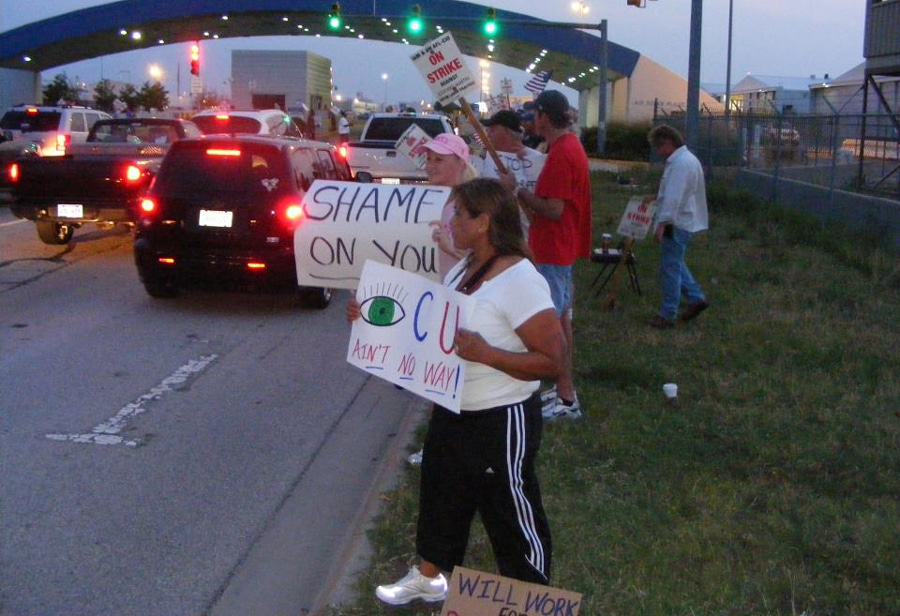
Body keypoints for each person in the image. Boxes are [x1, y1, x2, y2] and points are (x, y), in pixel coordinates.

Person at [348, 178, 565, 606]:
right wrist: (370, 318)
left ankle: (532, 599)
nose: (449, 222)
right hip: (453, 409)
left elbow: (553, 360)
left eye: (458, 214)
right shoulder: (469, 266)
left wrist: (488, 355)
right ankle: (429, 577)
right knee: (442, 494)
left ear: (483, 222)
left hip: (500, 417)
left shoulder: (519, 280)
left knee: (510, 508)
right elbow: (433, 333)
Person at [500, 90, 591, 422]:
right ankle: (566, 392)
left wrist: (516, 189)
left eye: (533, 115)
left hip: (553, 249)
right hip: (560, 248)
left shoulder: (560, 154)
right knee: (562, 322)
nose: (530, 121)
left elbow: (552, 210)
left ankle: (566, 400)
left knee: (549, 328)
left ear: (543, 116)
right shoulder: (568, 147)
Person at [405, 132, 478, 467]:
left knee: (448, 377)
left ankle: (444, 448)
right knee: (438, 376)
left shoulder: (471, 203)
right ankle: (442, 446)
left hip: (463, 297)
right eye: (429, 159)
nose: (430, 165)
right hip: (439, 294)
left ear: (460, 163)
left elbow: (483, 255)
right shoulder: (435, 199)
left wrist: (447, 247)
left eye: (439, 159)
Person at [644, 124, 709, 328]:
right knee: (675, 262)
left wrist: (663, 223)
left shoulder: (681, 164)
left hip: (676, 222)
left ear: (669, 143)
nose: (658, 151)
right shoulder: (685, 160)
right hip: (682, 220)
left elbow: (674, 197)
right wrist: (657, 197)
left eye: (659, 146)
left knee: (669, 268)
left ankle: (668, 313)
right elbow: (677, 192)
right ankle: (696, 297)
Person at [474, 109, 545, 239]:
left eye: (493, 129)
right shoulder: (484, 158)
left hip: (529, 238)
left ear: (506, 131)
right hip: (495, 238)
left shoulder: (536, 159)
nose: (488, 133)